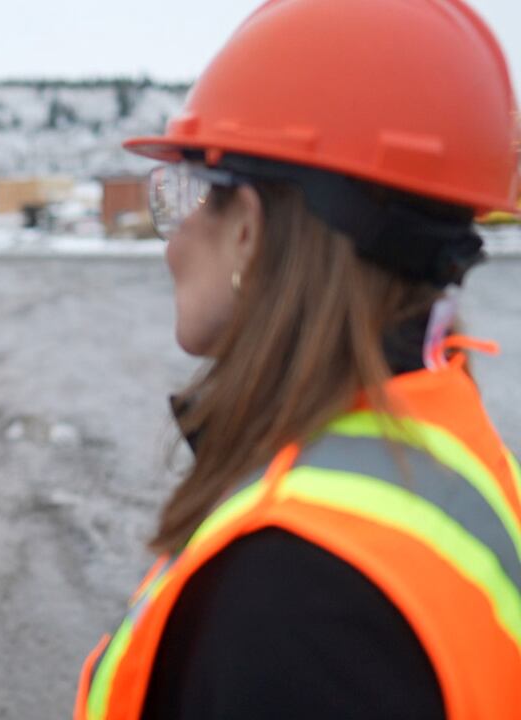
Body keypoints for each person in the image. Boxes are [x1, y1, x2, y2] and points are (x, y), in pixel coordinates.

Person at [74, 0, 521, 718]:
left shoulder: (294, 596)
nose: (172, 241)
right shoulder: (442, 440)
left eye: (183, 193)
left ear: (247, 227)